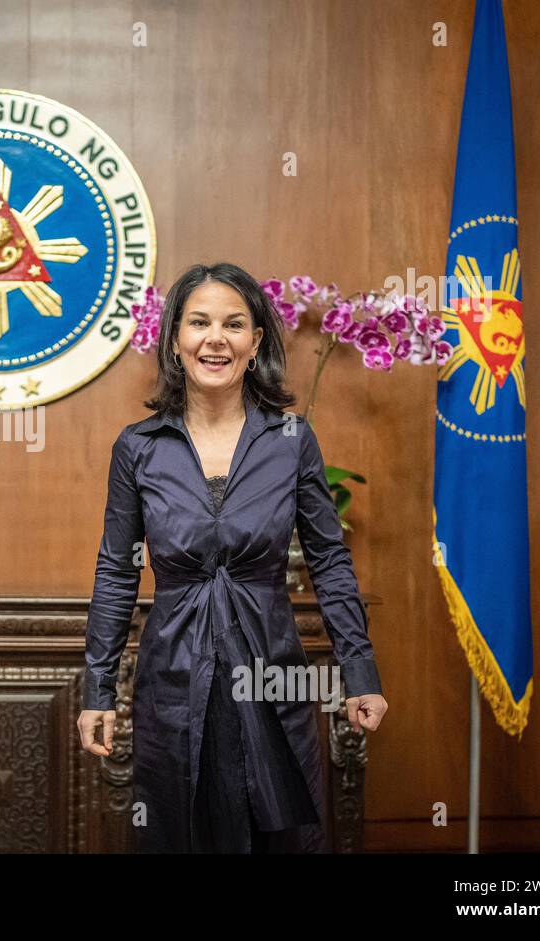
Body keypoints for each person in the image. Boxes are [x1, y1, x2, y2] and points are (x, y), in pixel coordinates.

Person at [76, 262, 388, 853]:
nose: (215, 338)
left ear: (256, 341)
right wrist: (98, 690)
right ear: (175, 340)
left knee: (286, 832)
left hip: (273, 672)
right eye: (199, 323)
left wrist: (359, 673)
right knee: (179, 832)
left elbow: (329, 560)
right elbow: (117, 572)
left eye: (233, 324)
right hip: (172, 677)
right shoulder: (137, 448)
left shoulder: (292, 440)